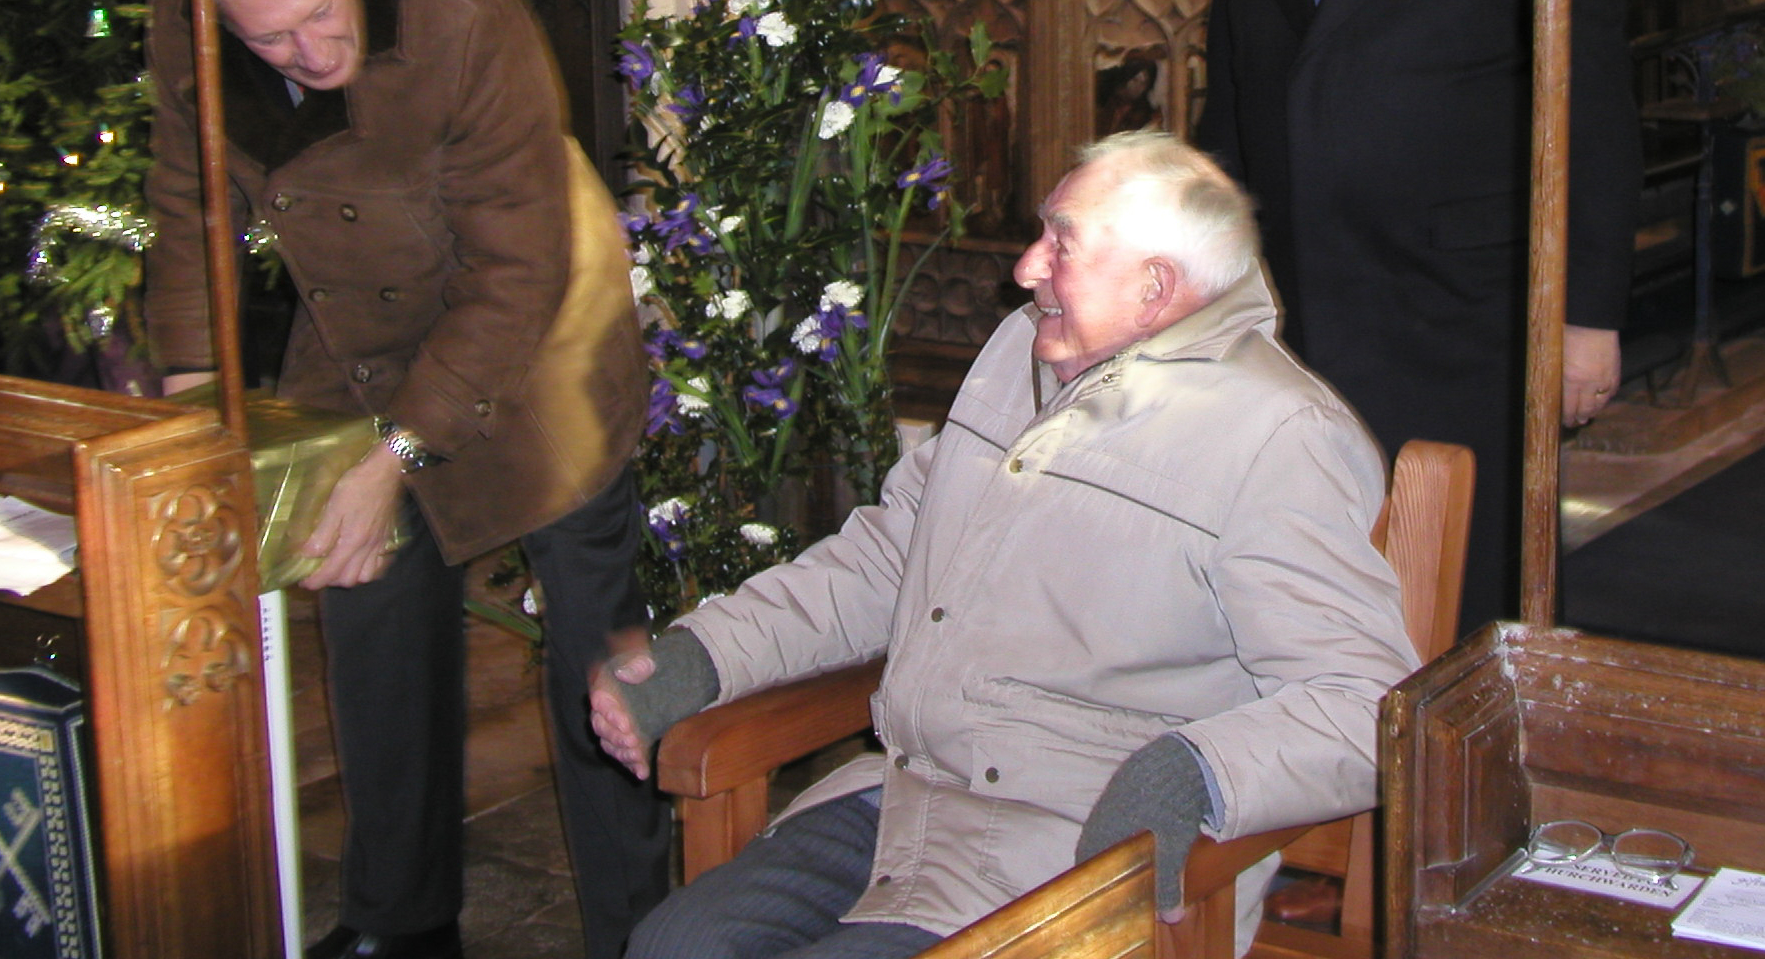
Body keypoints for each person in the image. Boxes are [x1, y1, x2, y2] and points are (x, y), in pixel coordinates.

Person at [588, 132, 1417, 959]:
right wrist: (702, 657)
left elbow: (1371, 706)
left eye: (1061, 243)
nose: (1025, 268)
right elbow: (888, 560)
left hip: (1075, 851)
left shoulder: (1278, 436)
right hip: (905, 803)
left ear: (1154, 286)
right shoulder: (1017, 356)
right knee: (671, 947)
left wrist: (1195, 774)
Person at [144, 0, 667, 959]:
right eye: (270, 41)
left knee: (592, 652)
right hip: (360, 342)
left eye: (318, 18)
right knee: (369, 615)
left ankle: (643, 927)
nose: (309, 56)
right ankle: (400, 919)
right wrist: (192, 392)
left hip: (543, 334)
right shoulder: (186, 25)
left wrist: (396, 455)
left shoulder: (468, 23)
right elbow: (189, 206)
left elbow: (515, 275)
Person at [1198, 0, 1641, 632]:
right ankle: (1336, 776)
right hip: (1290, 314)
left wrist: (1585, 315)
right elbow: (1228, 106)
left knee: (1463, 589)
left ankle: (1468, 784)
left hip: (1460, 319)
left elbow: (1594, 118)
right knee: (1309, 581)